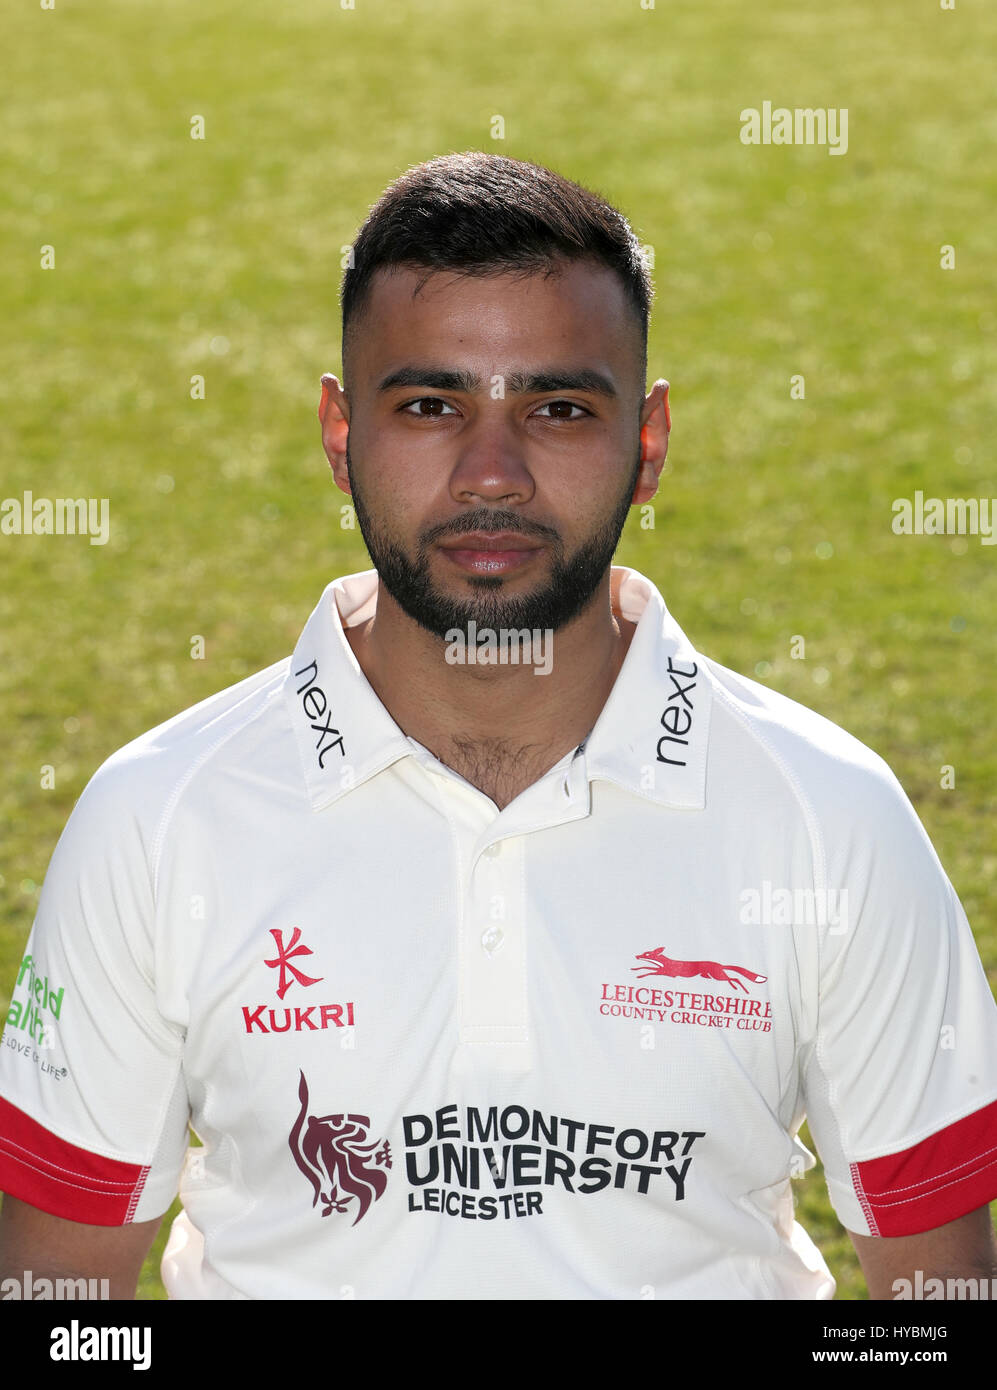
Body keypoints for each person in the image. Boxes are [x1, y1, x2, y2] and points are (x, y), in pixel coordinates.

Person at [1, 151, 995, 1301]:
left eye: (557, 407)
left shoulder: (831, 816)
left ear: (650, 444)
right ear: (337, 435)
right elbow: (57, 1300)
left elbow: (940, 1302)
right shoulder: (157, 818)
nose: (491, 474)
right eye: (430, 405)